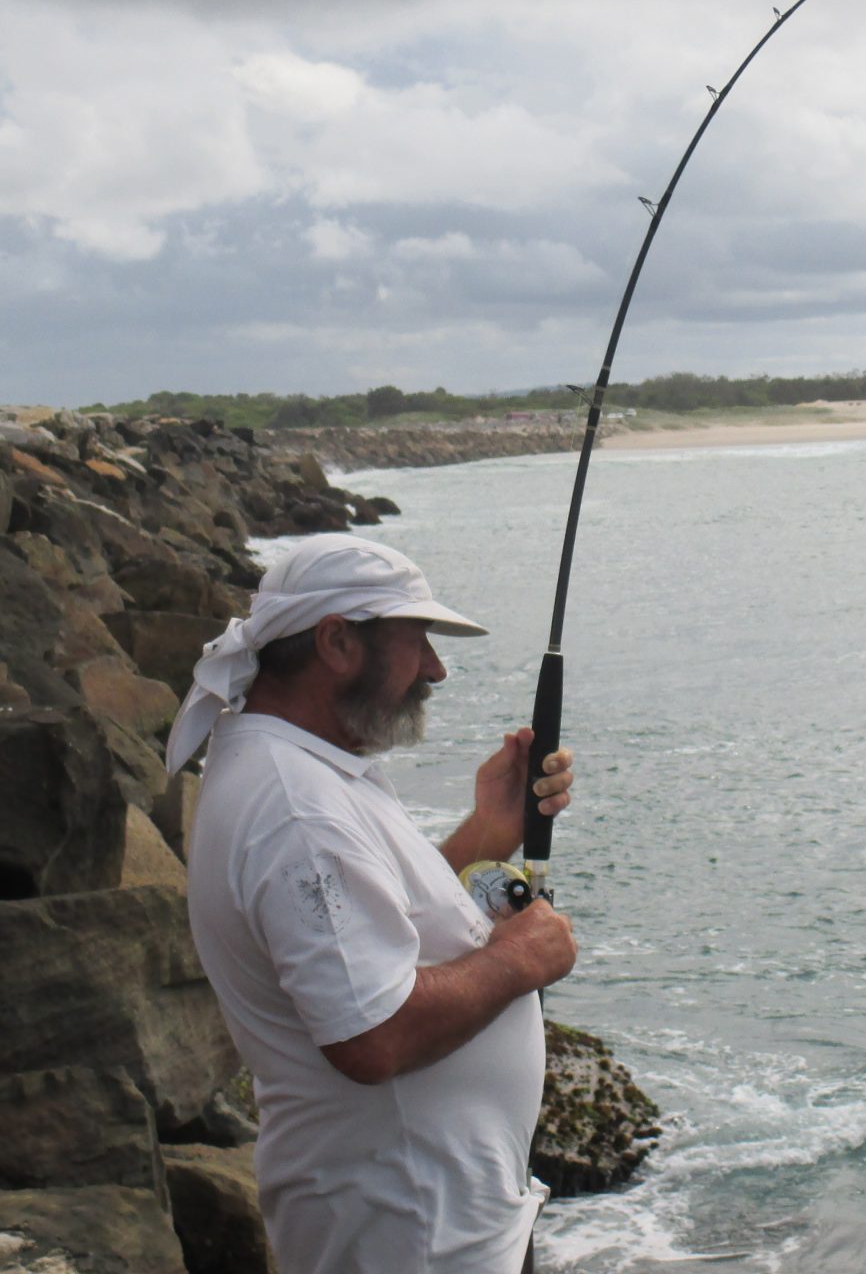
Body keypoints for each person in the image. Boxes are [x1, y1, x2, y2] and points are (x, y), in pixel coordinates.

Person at [166, 534, 579, 1274]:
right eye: (417, 640)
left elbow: (382, 926)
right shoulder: (297, 810)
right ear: (336, 643)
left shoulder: (305, 768)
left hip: (433, 1224)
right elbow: (371, 1037)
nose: (436, 669)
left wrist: (489, 832)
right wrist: (519, 958)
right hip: (409, 1237)